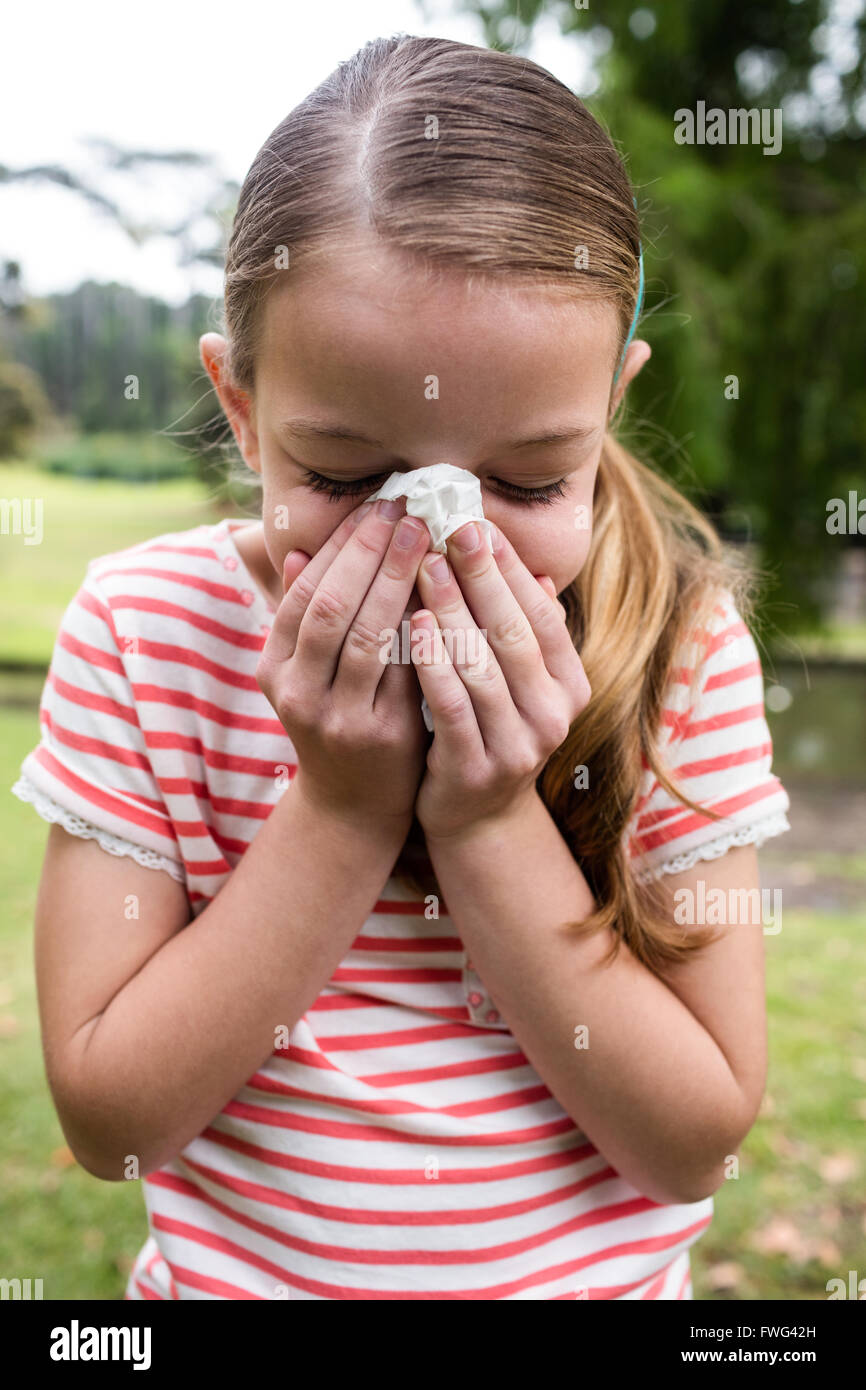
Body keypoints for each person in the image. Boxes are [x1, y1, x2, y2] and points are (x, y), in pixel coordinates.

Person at [12, 34, 791, 1300]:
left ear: (609, 401)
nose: (439, 535)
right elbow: (113, 1125)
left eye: (532, 479)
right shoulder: (146, 635)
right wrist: (337, 809)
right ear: (244, 405)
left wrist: (488, 821)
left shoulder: (678, 650)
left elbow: (690, 1142)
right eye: (341, 475)